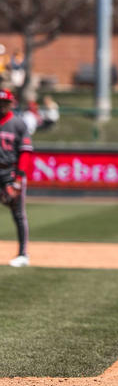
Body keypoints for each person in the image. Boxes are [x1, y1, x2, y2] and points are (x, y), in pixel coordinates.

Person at [0, 89, 33, 267]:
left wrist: (19, 178)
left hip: (10, 173)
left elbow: (25, 152)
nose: (2, 106)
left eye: (5, 103)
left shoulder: (18, 123)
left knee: (18, 214)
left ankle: (22, 254)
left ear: (11, 103)